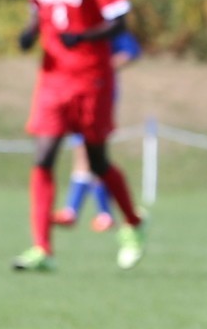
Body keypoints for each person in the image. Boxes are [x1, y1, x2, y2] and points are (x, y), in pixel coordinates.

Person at [13, 0, 145, 273]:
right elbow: (36, 16)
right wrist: (27, 35)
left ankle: (133, 222)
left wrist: (85, 36)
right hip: (53, 79)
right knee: (43, 156)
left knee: (98, 160)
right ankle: (42, 247)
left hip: (91, 78)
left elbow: (119, 22)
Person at [53, 28, 141, 233]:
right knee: (83, 156)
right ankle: (87, 212)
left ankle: (89, 213)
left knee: (90, 154)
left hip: (99, 95)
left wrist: (99, 67)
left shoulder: (106, 26)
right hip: (75, 93)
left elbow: (131, 51)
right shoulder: (75, 22)